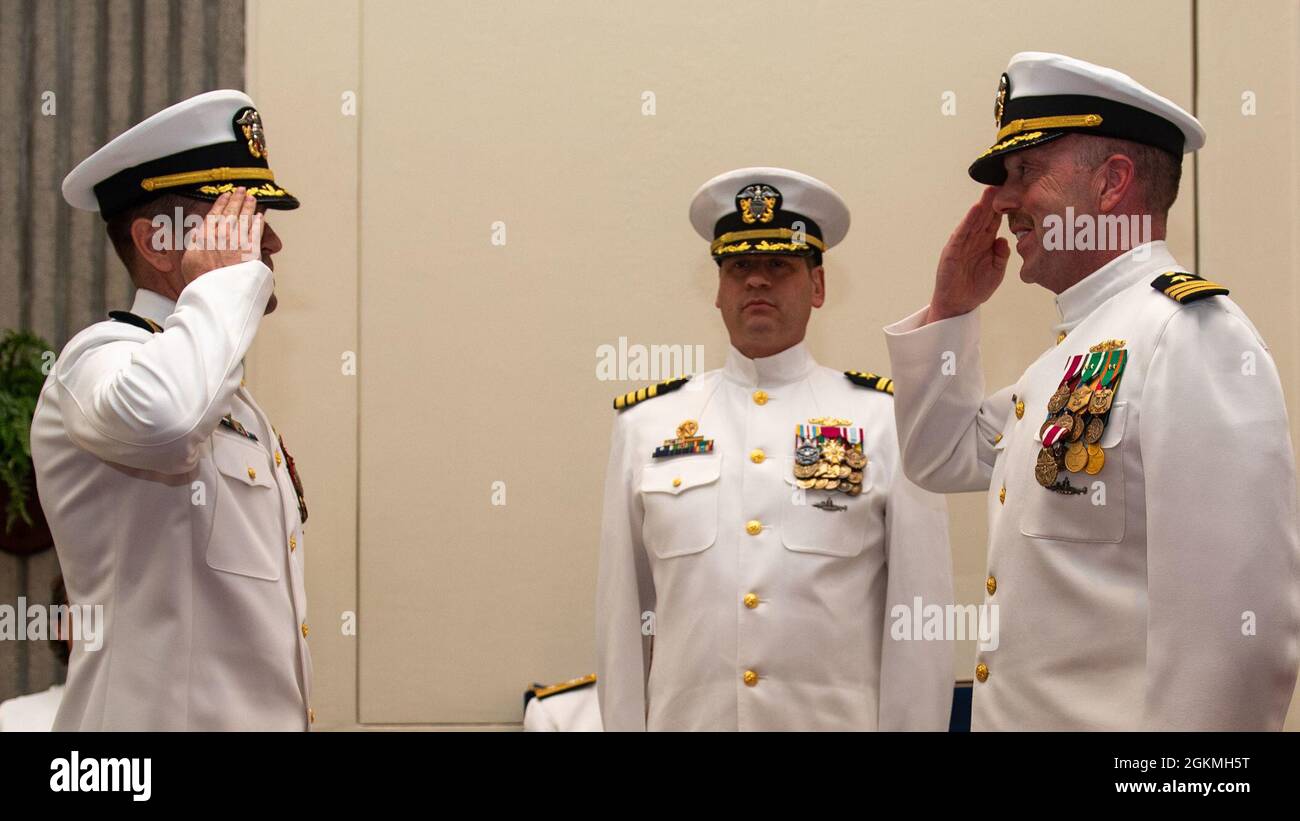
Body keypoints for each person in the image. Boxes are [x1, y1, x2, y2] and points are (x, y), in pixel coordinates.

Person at [884, 52, 1300, 730]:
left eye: (1026, 171)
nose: (1001, 202)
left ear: (1112, 184)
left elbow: (1234, 645)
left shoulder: (1189, 335)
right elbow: (938, 456)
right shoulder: (1070, 356)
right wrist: (949, 313)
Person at [597, 167, 954, 731]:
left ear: (817, 287)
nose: (757, 282)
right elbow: (623, 621)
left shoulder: (885, 421)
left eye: (779, 266)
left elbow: (915, 621)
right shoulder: (647, 425)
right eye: (740, 267)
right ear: (717, 290)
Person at [31, 90, 314, 730]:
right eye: (240, 221)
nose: (269, 243)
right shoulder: (95, 364)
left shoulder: (235, 405)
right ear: (157, 245)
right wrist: (223, 283)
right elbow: (166, 421)